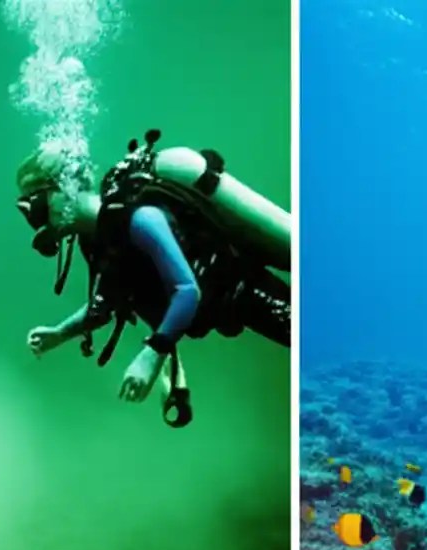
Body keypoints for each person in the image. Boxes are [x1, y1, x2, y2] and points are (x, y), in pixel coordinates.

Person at [14, 129, 291, 427]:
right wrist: (60, 333)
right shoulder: (96, 240)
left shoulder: (137, 218)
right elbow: (106, 301)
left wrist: (152, 355)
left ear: (63, 189)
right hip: (228, 309)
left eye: (36, 208)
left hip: (248, 295)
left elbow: (187, 291)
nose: (36, 223)